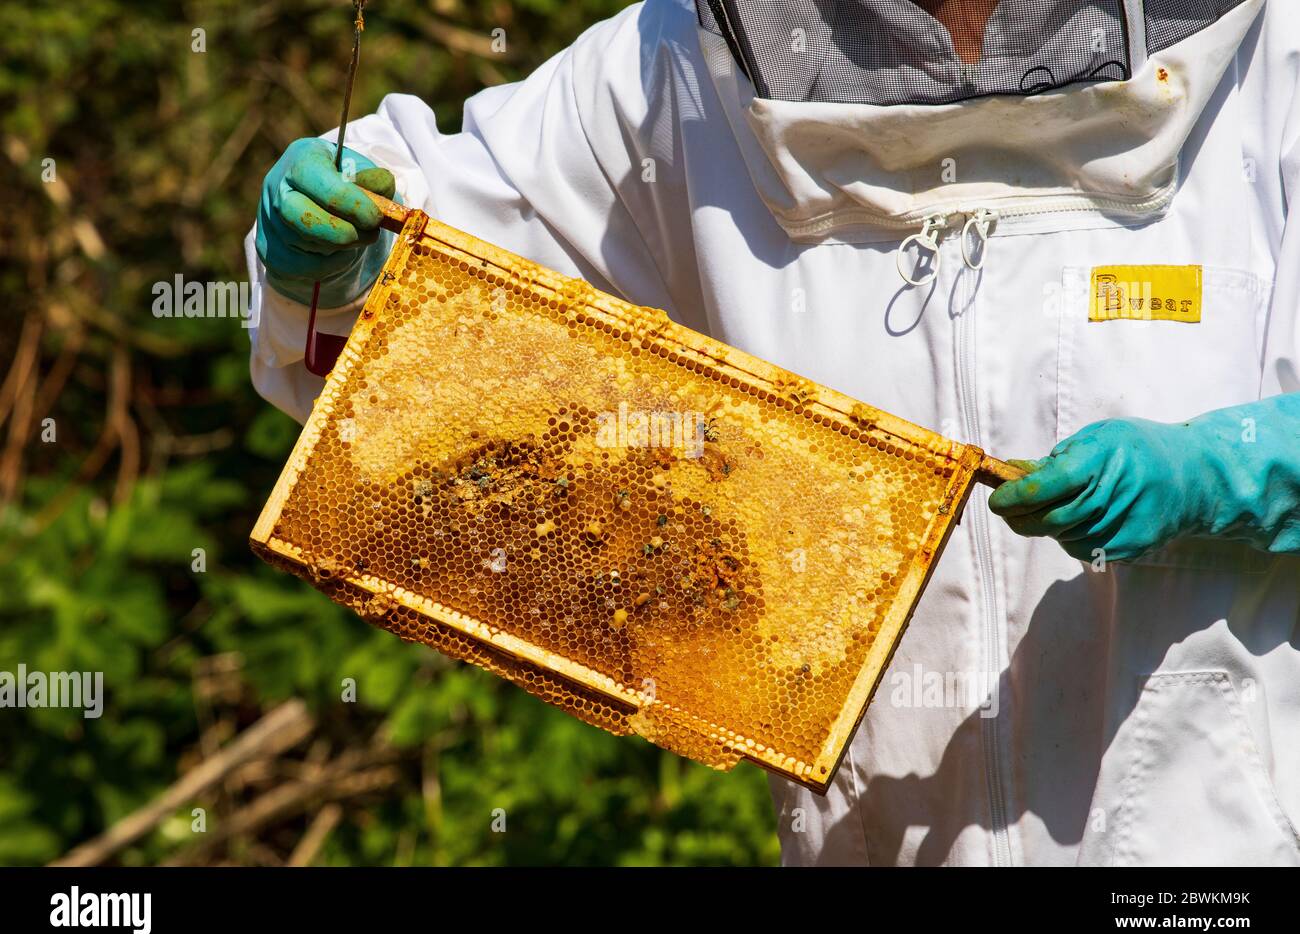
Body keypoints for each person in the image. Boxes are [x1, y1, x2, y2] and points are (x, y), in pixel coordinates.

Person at [246, 0, 1300, 865]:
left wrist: (1238, 471)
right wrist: (334, 279)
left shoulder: (1276, 64)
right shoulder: (666, 71)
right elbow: (403, 351)